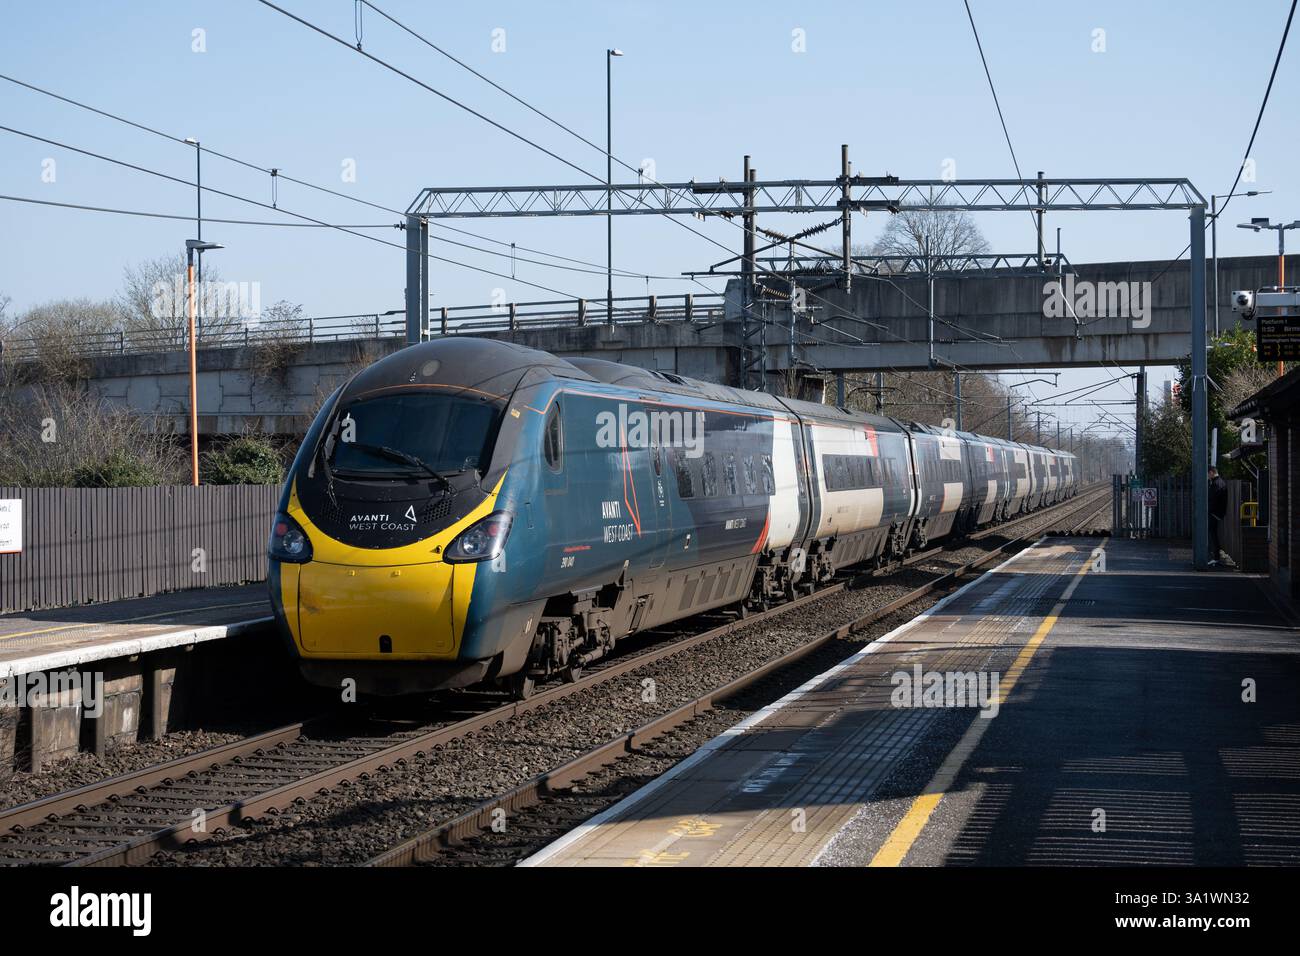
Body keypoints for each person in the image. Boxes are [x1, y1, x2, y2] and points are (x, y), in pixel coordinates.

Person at [1208, 466, 1228, 566]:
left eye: (1207, 474)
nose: (1207, 476)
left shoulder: (1216, 484)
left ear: (1211, 472)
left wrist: (1209, 510)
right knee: (1213, 535)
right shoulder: (1221, 482)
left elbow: (1211, 499)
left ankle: (1216, 557)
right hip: (1218, 513)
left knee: (1213, 535)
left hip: (1214, 513)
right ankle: (1216, 556)